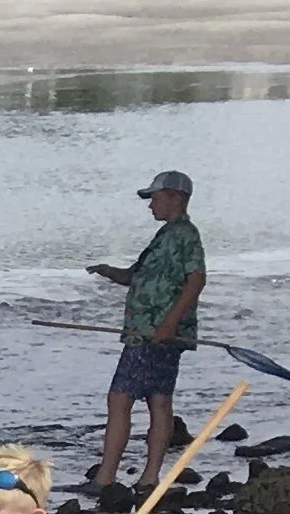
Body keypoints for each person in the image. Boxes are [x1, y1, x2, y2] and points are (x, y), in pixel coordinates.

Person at [87, 169, 206, 493]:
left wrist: (168, 323)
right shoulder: (166, 236)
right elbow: (134, 276)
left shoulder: (184, 234)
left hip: (154, 334)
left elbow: (197, 279)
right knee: (159, 400)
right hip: (151, 332)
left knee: (119, 399)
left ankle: (106, 477)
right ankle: (149, 478)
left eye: (155, 198)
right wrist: (108, 271)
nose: (150, 205)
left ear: (175, 198)